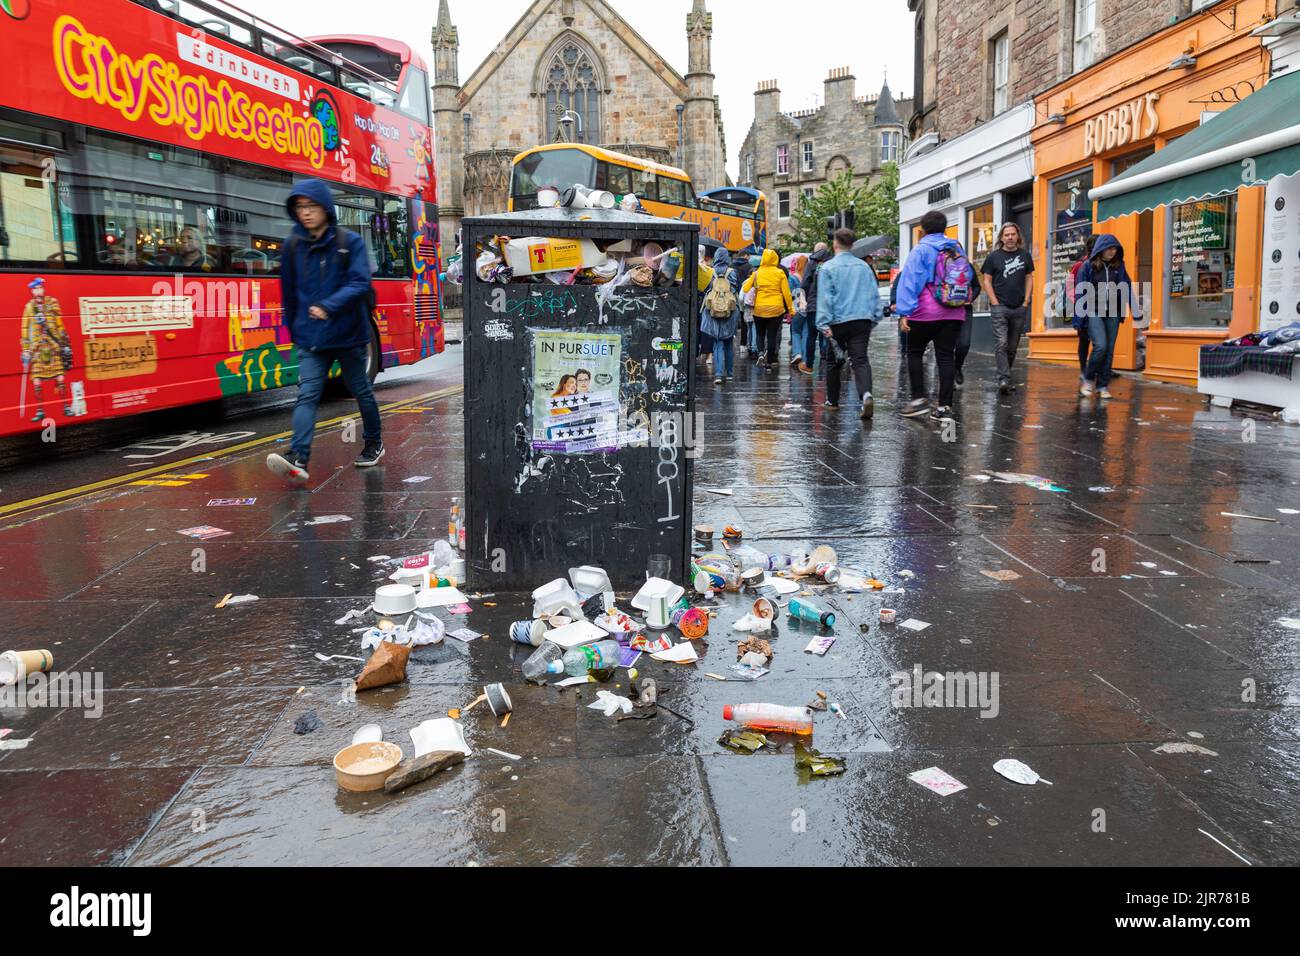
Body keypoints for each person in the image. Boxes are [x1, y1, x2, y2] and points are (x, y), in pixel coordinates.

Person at [266, 178, 383, 483]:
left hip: (348, 334)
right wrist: (296, 331)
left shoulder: (349, 243)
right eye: (300, 207)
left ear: (326, 208)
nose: (305, 213)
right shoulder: (292, 246)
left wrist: (328, 306)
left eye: (311, 206)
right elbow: (288, 295)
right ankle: (298, 456)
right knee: (307, 396)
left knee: (361, 390)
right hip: (312, 338)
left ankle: (374, 443)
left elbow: (360, 283)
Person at [894, 210, 974, 421]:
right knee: (946, 357)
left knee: (914, 353)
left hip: (924, 313)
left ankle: (918, 400)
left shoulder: (921, 250)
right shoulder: (956, 248)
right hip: (954, 311)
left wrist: (904, 312)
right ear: (944, 228)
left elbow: (910, 281)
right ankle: (944, 407)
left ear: (922, 229)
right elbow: (968, 276)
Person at [816, 228, 883, 419]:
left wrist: (823, 324)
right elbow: (873, 294)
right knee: (860, 359)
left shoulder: (828, 267)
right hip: (861, 320)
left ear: (835, 244)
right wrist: (875, 317)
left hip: (837, 321)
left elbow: (825, 298)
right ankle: (866, 394)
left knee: (833, 362)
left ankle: (833, 401)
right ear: (852, 245)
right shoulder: (864, 267)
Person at [1075, 233, 1137, 400]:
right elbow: (1080, 293)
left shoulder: (1119, 266)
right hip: (1093, 310)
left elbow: (1127, 288)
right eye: (1109, 248)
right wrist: (1079, 319)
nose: (1112, 251)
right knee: (1100, 346)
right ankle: (1088, 379)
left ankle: (1102, 386)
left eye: (1114, 248)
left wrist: (1136, 311)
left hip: (1113, 311)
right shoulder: (1087, 266)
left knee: (1109, 351)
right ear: (1100, 249)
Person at [980, 222, 1034, 395]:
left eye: (1012, 234)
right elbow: (986, 280)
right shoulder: (993, 257)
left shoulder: (1025, 255)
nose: (1010, 237)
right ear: (1001, 238)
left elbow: (1029, 278)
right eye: (1006, 235)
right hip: (1000, 307)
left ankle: (1005, 376)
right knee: (1001, 343)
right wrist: (994, 301)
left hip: (1019, 307)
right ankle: (1004, 378)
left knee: (1012, 347)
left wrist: (1026, 301)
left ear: (1017, 236)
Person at [20, 278, 73, 421]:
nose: (39, 291)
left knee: (60, 378)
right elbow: (25, 330)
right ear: (32, 291)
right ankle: (40, 410)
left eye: (40, 288)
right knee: (36, 381)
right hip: (38, 348)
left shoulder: (52, 303)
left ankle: (66, 407)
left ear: (43, 289)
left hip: (53, 346)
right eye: (35, 289)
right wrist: (25, 349)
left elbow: (60, 324)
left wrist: (63, 342)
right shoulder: (29, 308)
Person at [741, 248, 793, 370]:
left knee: (760, 333)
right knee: (772, 335)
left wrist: (756, 283)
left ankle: (760, 353)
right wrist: (791, 309)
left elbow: (746, 288)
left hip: (760, 308)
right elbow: (787, 293)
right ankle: (769, 363)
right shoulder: (780, 273)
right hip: (776, 309)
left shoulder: (757, 273)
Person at [700, 245, 740, 385]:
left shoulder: (710, 272)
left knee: (717, 342)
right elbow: (736, 289)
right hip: (730, 310)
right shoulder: (732, 272)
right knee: (728, 341)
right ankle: (729, 374)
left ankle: (718, 375)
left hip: (713, 311)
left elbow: (706, 289)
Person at [1067, 235, 1099, 371]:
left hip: (1099, 309)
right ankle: (1083, 369)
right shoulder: (1080, 265)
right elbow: (1069, 286)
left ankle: (1101, 367)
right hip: (1083, 309)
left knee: (1101, 343)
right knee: (1085, 341)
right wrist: (1078, 301)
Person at [798, 242, 832, 373]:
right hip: (828, 305)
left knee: (811, 335)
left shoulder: (811, 263)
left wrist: (805, 298)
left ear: (815, 251)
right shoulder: (832, 262)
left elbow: (805, 282)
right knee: (828, 334)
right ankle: (829, 360)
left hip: (813, 305)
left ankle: (809, 364)